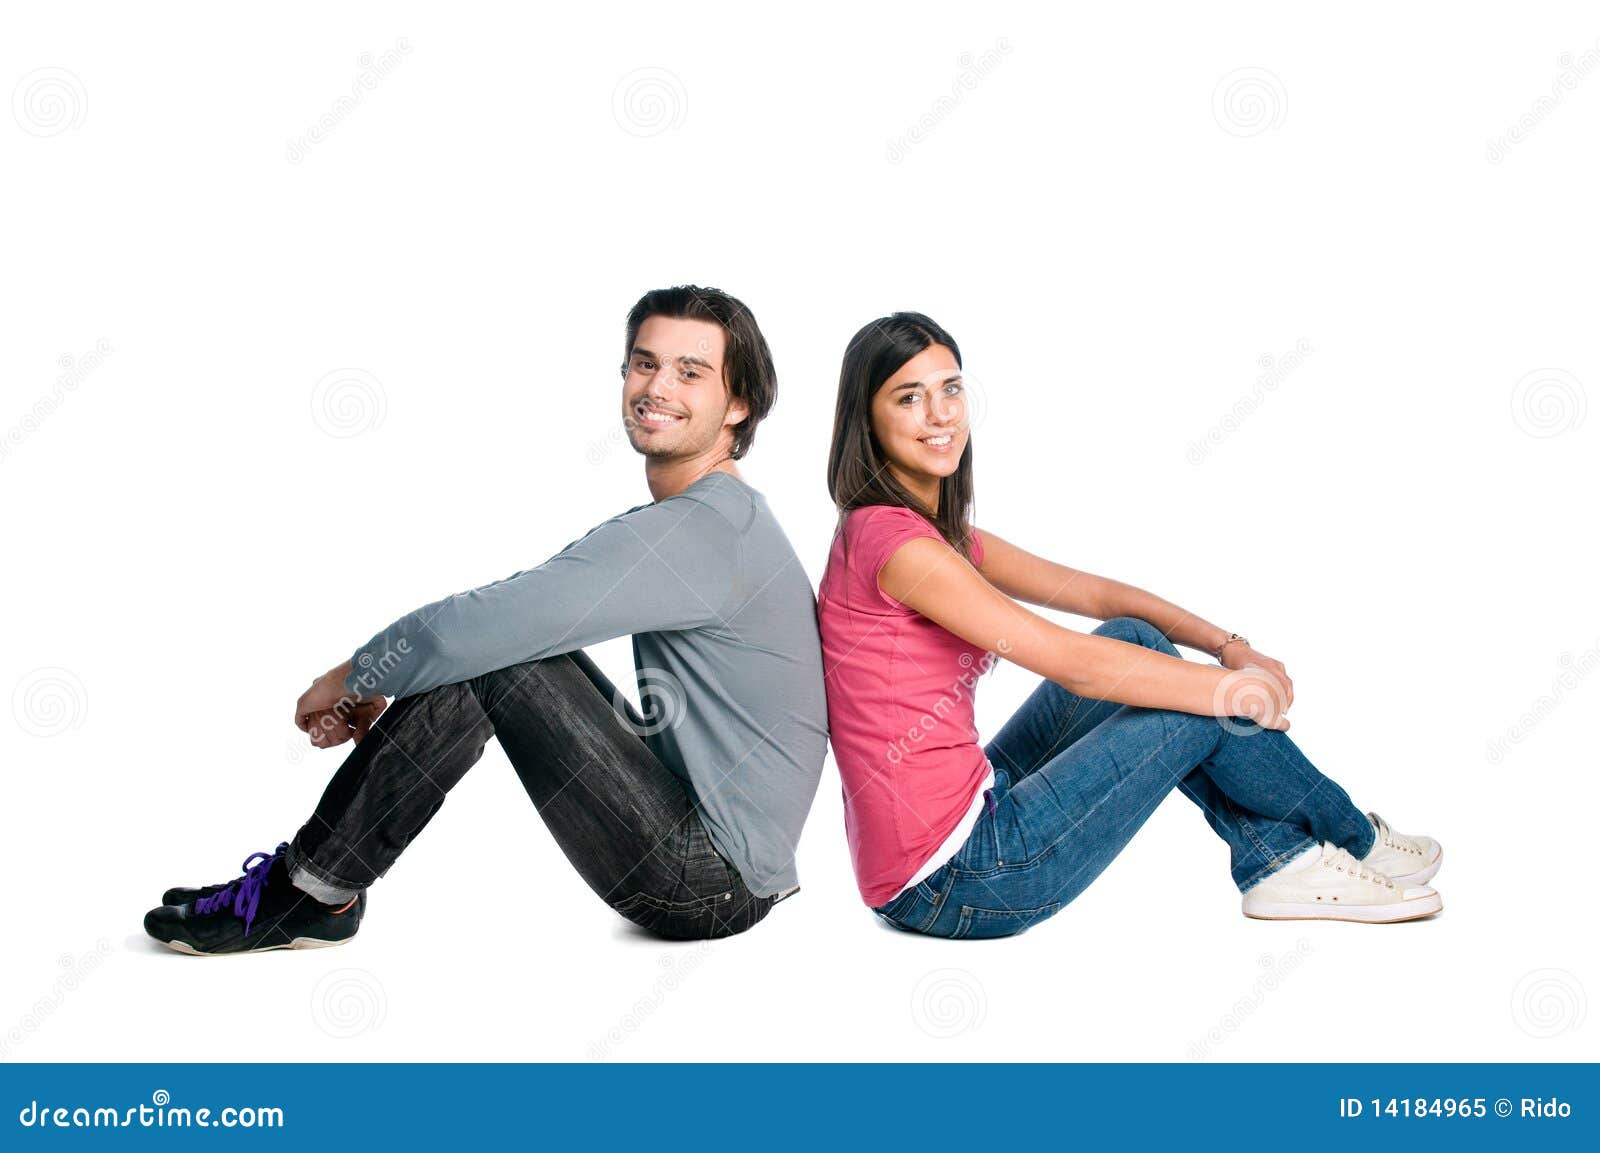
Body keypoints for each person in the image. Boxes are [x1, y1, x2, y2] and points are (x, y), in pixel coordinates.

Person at [144, 286, 828, 955]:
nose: (658, 385)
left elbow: (477, 631)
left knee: (496, 654)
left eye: (691, 371)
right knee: (499, 643)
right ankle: (317, 885)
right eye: (645, 363)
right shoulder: (714, 519)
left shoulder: (701, 533)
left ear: (739, 404)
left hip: (708, 884)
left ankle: (312, 889)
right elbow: (521, 605)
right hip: (714, 852)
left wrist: (352, 676)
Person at [817, 311, 1442, 938]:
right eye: (909, 397)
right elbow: (1073, 665)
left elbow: (1092, 593)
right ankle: (1346, 840)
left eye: (950, 388)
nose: (941, 414)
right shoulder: (900, 550)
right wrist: (1236, 695)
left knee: (1139, 643)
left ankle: (1282, 859)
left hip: (967, 812)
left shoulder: (926, 534)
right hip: (957, 879)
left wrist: (1228, 649)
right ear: (867, 422)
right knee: (1187, 703)